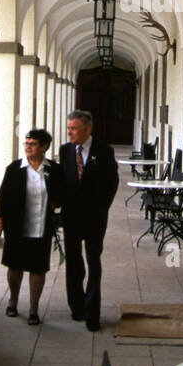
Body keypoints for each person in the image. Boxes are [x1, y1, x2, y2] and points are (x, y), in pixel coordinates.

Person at [0, 128, 63, 325]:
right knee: (14, 266)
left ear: (44, 147)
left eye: (32, 144)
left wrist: (56, 201)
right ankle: (13, 301)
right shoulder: (15, 169)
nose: (27, 147)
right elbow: (3, 196)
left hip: (41, 227)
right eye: (26, 143)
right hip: (17, 226)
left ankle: (34, 309)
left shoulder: (53, 170)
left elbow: (61, 192)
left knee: (38, 268)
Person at [59, 109, 119, 331]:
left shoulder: (104, 151)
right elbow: (62, 181)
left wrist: (101, 208)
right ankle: (76, 306)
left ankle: (92, 313)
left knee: (94, 263)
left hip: (94, 218)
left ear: (87, 129)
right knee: (73, 263)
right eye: (68, 129)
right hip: (71, 218)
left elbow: (112, 182)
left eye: (73, 129)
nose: (69, 133)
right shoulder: (65, 151)